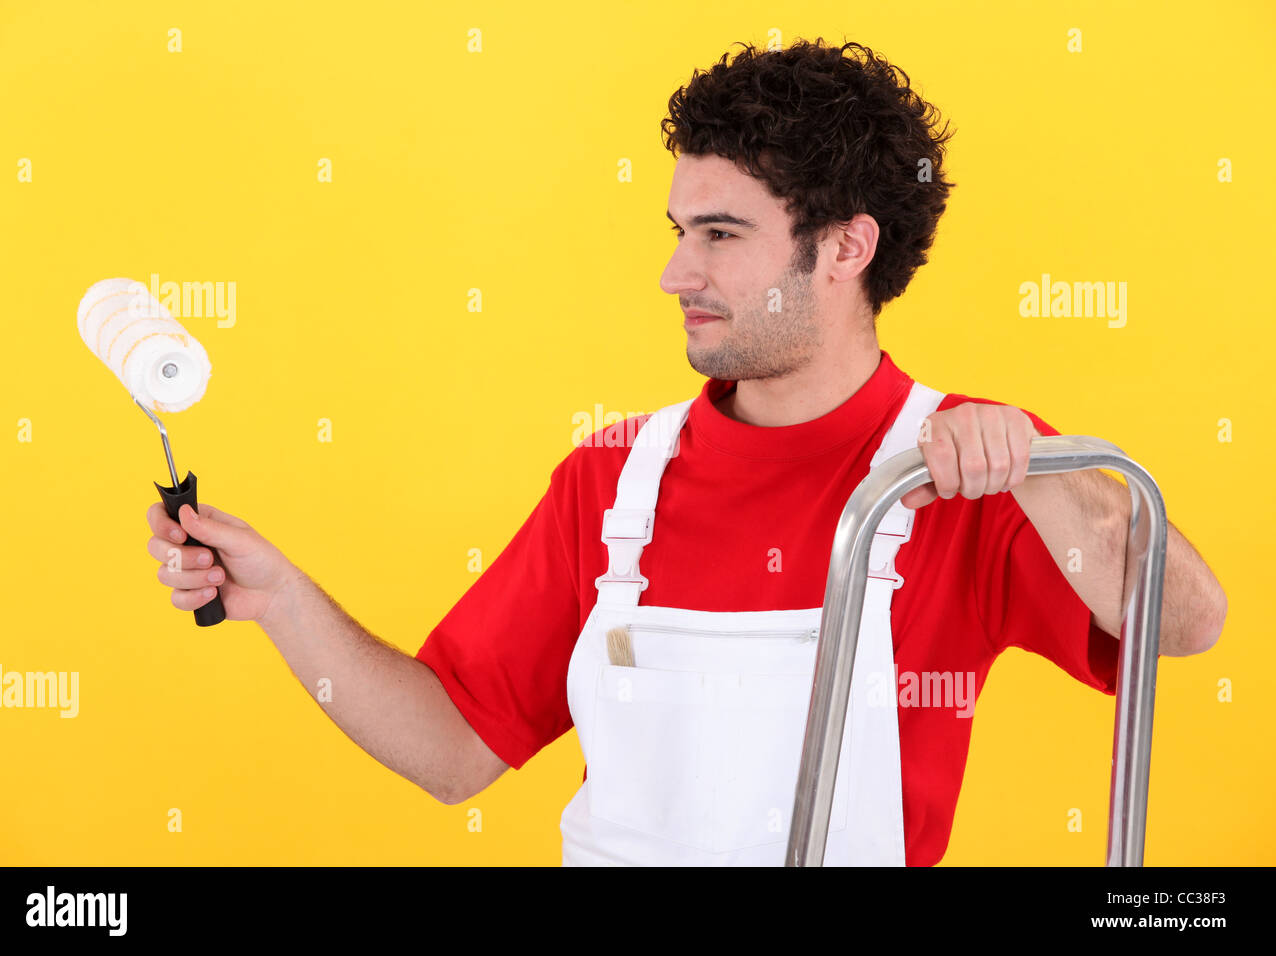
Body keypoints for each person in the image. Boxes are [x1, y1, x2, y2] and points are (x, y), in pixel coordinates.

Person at [144, 38, 1227, 866]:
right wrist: (281, 597)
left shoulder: (966, 467)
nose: (675, 272)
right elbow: (450, 751)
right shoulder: (612, 480)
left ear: (846, 246)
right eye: (677, 229)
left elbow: (1186, 622)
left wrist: (1051, 480)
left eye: (719, 234)